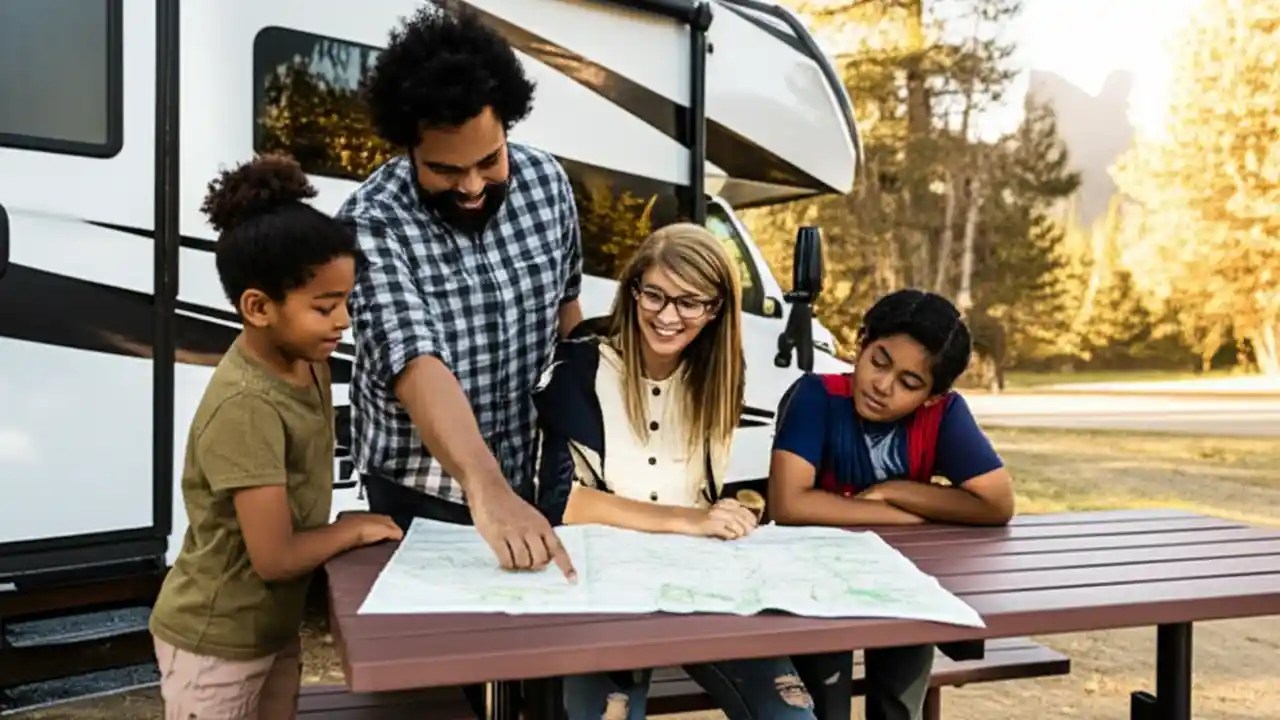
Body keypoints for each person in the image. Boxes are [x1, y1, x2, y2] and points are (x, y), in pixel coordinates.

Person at [148, 155, 403, 720]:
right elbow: (276, 556)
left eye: (346, 302)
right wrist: (348, 529)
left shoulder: (305, 362)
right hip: (215, 642)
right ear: (258, 307)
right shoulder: (247, 406)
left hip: (271, 630)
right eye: (324, 307)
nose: (343, 322)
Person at [533, 223, 818, 720]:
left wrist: (729, 512)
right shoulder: (581, 365)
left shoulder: (720, 374)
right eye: (654, 296)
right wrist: (690, 519)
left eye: (690, 302)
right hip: (601, 586)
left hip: (696, 580)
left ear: (716, 308)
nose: (667, 316)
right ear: (633, 291)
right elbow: (562, 503)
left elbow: (701, 489)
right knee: (610, 713)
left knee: (789, 712)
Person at [336, 4, 580, 580]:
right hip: (420, 492)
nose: (471, 187)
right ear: (407, 149)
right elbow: (415, 361)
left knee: (538, 650)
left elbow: (568, 312)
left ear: (508, 127)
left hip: (532, 469)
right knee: (442, 659)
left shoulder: (548, 185)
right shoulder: (370, 224)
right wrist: (485, 487)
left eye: (488, 161)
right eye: (445, 170)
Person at [767, 287, 1017, 720]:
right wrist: (895, 514)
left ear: (933, 396)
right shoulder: (817, 397)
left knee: (898, 706)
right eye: (879, 361)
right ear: (861, 344)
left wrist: (897, 490)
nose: (883, 386)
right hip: (811, 584)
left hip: (905, 585)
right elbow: (789, 504)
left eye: (910, 382)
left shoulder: (945, 416)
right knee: (823, 706)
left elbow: (997, 504)